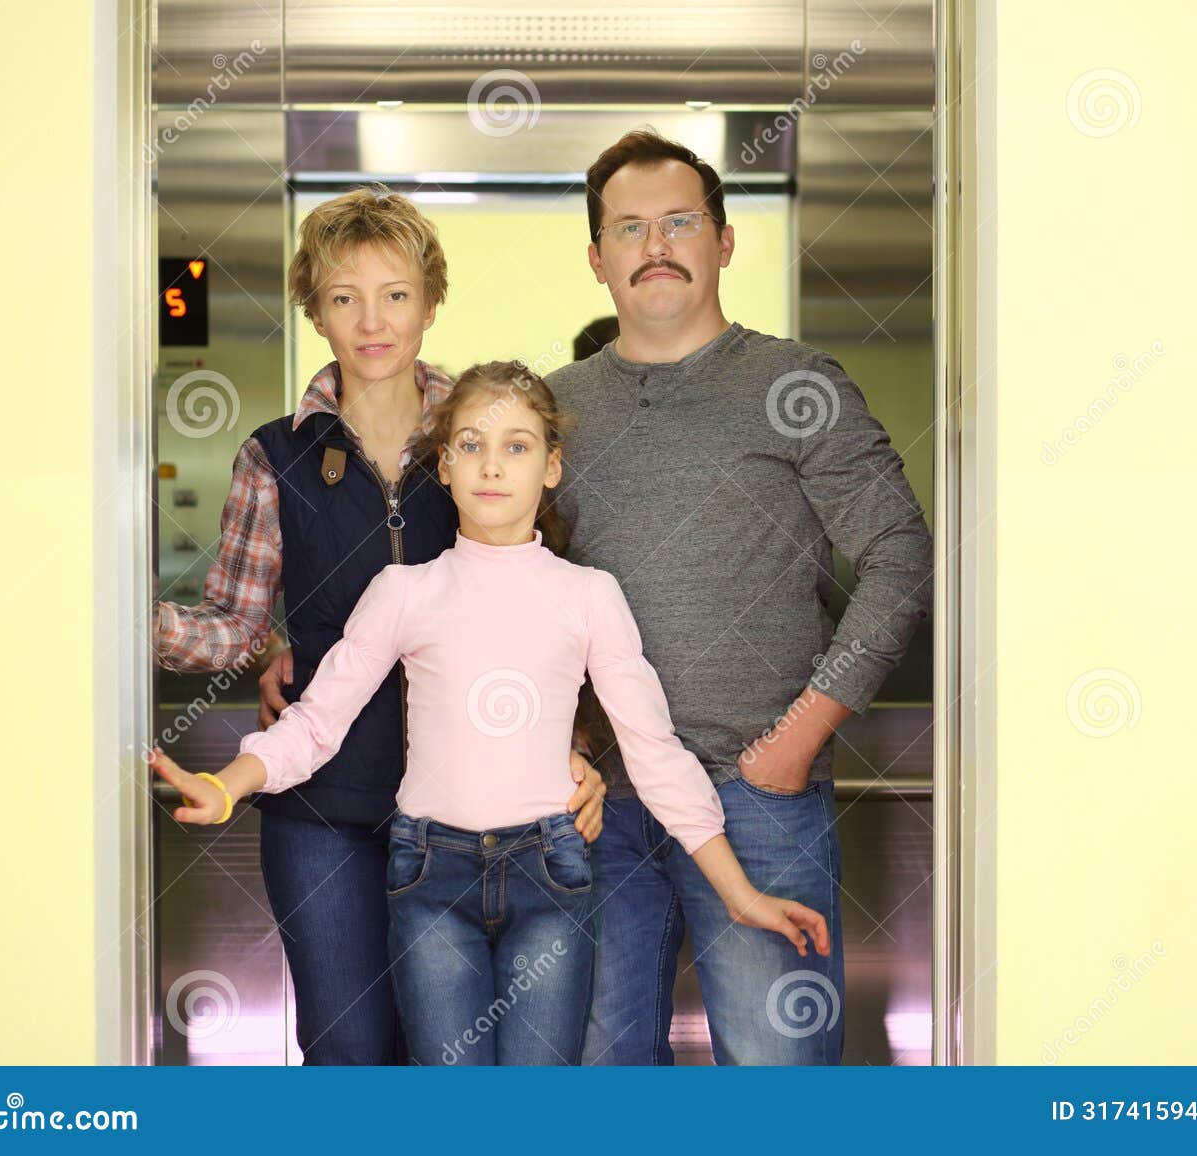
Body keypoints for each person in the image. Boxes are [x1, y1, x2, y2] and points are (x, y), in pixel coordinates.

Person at [151, 360, 830, 1065]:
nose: (492, 466)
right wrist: (228, 783)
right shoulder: (404, 592)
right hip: (428, 878)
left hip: (552, 874)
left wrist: (739, 893)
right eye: (471, 445)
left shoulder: (589, 595)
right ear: (442, 467)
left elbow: (655, 755)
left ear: (553, 467)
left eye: (517, 445)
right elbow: (318, 722)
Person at [153, 188, 605, 1066]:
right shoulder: (273, 454)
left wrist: (580, 744)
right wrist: (99, 620)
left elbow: (554, 619)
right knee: (349, 1052)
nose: (373, 320)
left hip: (479, 817)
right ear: (314, 309)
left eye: (396, 294)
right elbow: (236, 625)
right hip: (323, 810)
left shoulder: (481, 437)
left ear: (431, 304)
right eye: (344, 296)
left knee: (462, 1061)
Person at [546, 130, 934, 1065]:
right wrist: (558, 744)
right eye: (630, 229)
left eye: (681, 221)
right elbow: (512, 592)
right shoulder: (553, 409)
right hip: (600, 802)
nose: (657, 244)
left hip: (758, 798)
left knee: (778, 1081)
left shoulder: (793, 386)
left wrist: (800, 736)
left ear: (724, 240)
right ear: (598, 259)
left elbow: (899, 557)